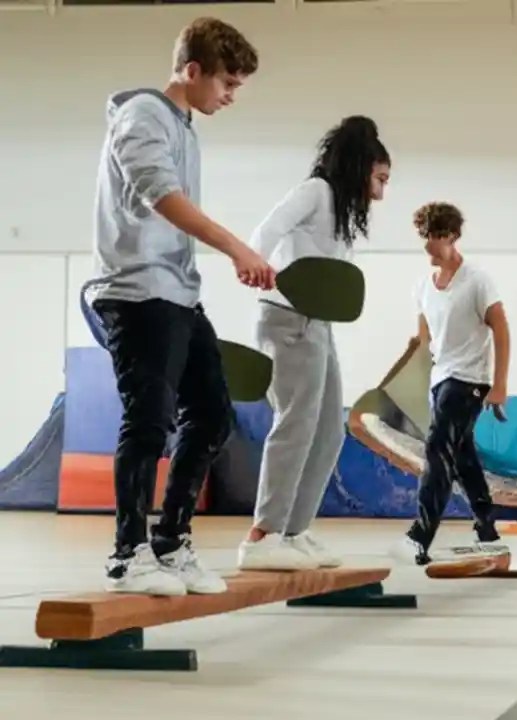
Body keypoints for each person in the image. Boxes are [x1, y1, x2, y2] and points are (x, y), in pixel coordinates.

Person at [84, 18, 273, 596]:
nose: (231, 97)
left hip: (177, 294)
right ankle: (127, 554)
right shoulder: (143, 115)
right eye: (227, 84)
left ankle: (169, 542)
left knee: (212, 416)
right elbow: (159, 196)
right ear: (191, 71)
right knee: (147, 422)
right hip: (137, 293)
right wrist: (237, 246)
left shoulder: (186, 129)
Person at [236, 116, 392, 571]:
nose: (381, 193)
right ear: (360, 166)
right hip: (288, 319)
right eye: (379, 179)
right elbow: (265, 230)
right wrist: (254, 263)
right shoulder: (317, 191)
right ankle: (262, 535)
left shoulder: (340, 210)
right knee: (296, 424)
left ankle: (294, 531)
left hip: (319, 325)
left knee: (328, 432)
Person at [390, 202, 511, 566]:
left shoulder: (477, 281)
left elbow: (502, 331)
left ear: (453, 237)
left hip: (470, 381)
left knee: (437, 449)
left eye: (436, 236)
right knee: (462, 457)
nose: (428, 244)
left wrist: (500, 385)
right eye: (424, 236)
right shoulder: (422, 288)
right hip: (440, 380)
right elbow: (423, 342)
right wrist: (396, 378)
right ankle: (487, 528)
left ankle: (420, 535)